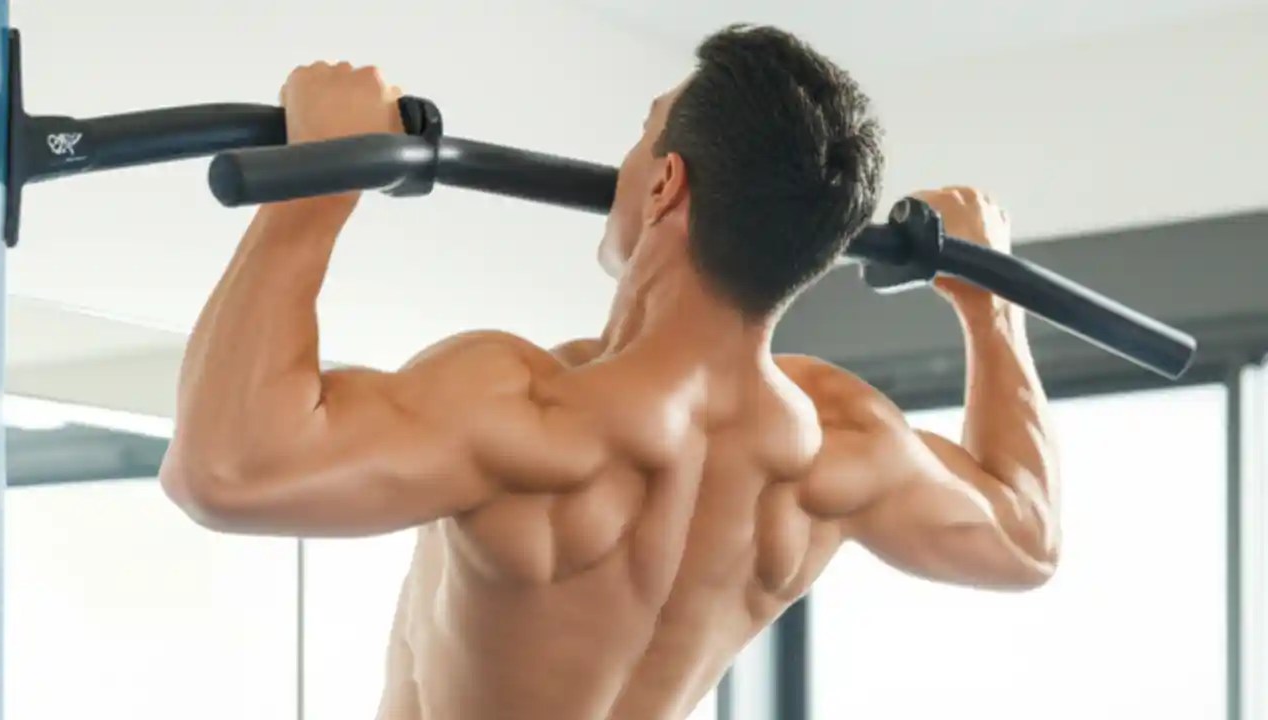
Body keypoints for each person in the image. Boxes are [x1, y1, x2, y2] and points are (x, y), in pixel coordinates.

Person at [160, 23, 1061, 720]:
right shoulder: (838, 443)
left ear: (666, 183)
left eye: (642, 138)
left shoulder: (526, 409)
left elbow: (223, 470)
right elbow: (1025, 537)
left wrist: (315, 188)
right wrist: (991, 308)